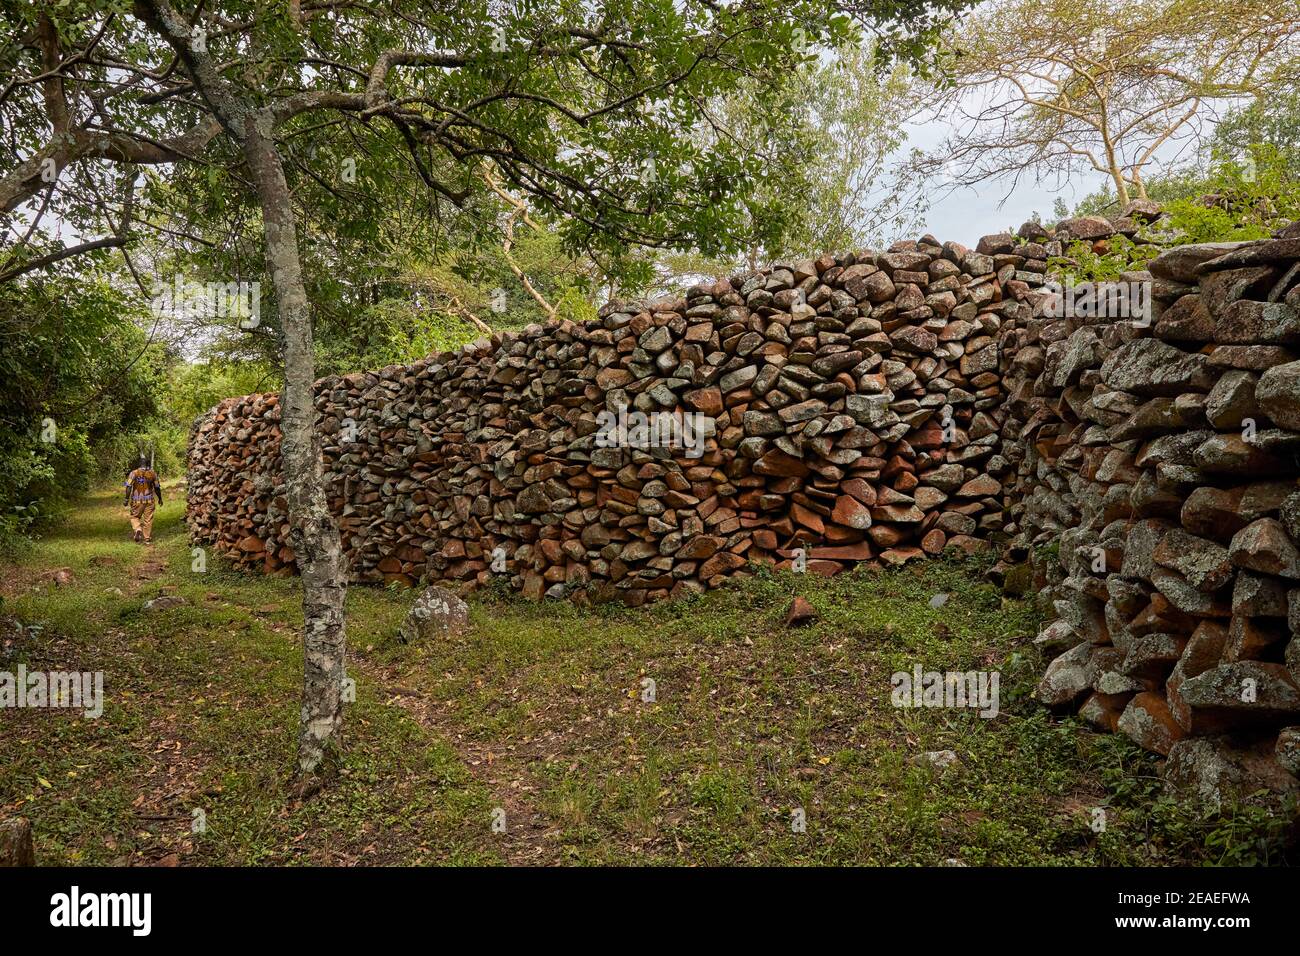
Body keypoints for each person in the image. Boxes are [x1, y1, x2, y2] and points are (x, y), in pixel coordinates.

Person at [123, 456, 164, 544]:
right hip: (149, 501)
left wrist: (126, 499)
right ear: (147, 464)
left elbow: (128, 486)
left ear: (139, 464)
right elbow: (157, 487)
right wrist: (160, 498)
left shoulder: (133, 473)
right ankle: (147, 538)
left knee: (134, 516)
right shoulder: (153, 473)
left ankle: (138, 529)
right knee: (148, 519)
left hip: (137, 501)